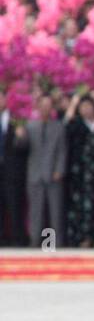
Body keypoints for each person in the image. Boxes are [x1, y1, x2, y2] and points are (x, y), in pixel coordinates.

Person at [63, 90, 94, 248]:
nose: (86, 110)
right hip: (80, 172)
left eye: (89, 106)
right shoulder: (76, 124)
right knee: (80, 206)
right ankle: (83, 237)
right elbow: (65, 127)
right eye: (83, 107)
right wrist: (72, 104)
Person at [18, 95, 66, 248]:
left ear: (52, 108)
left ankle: (51, 243)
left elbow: (62, 151)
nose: (45, 108)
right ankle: (35, 241)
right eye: (42, 105)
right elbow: (22, 148)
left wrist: (59, 169)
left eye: (48, 105)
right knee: (35, 211)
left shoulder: (58, 127)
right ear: (38, 107)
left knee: (54, 211)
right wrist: (20, 136)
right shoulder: (30, 126)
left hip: (53, 174)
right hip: (35, 173)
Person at [0, 92, 28, 246]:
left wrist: (21, 137)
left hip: (12, 171)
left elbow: (24, 146)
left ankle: (17, 239)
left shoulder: (16, 120)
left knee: (14, 205)